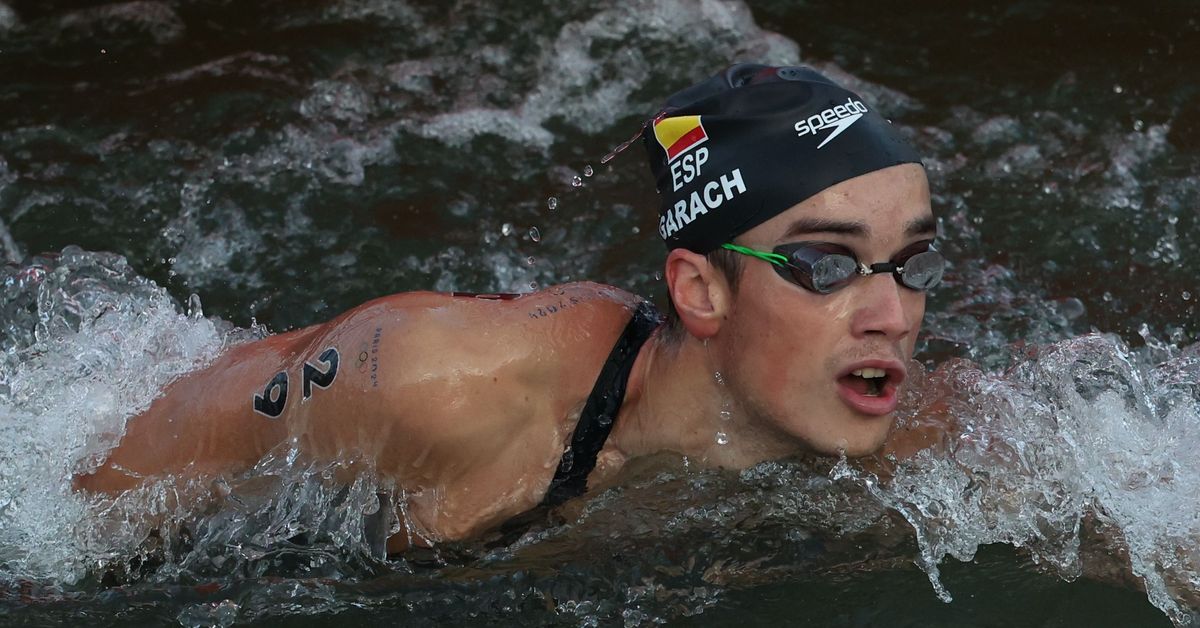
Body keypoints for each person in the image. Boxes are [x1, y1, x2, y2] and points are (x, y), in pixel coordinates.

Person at [74, 64, 944, 554]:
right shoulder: (438, 381)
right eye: (828, 265)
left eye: (908, 263)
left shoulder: (872, 426)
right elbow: (150, 455)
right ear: (701, 291)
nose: (892, 316)